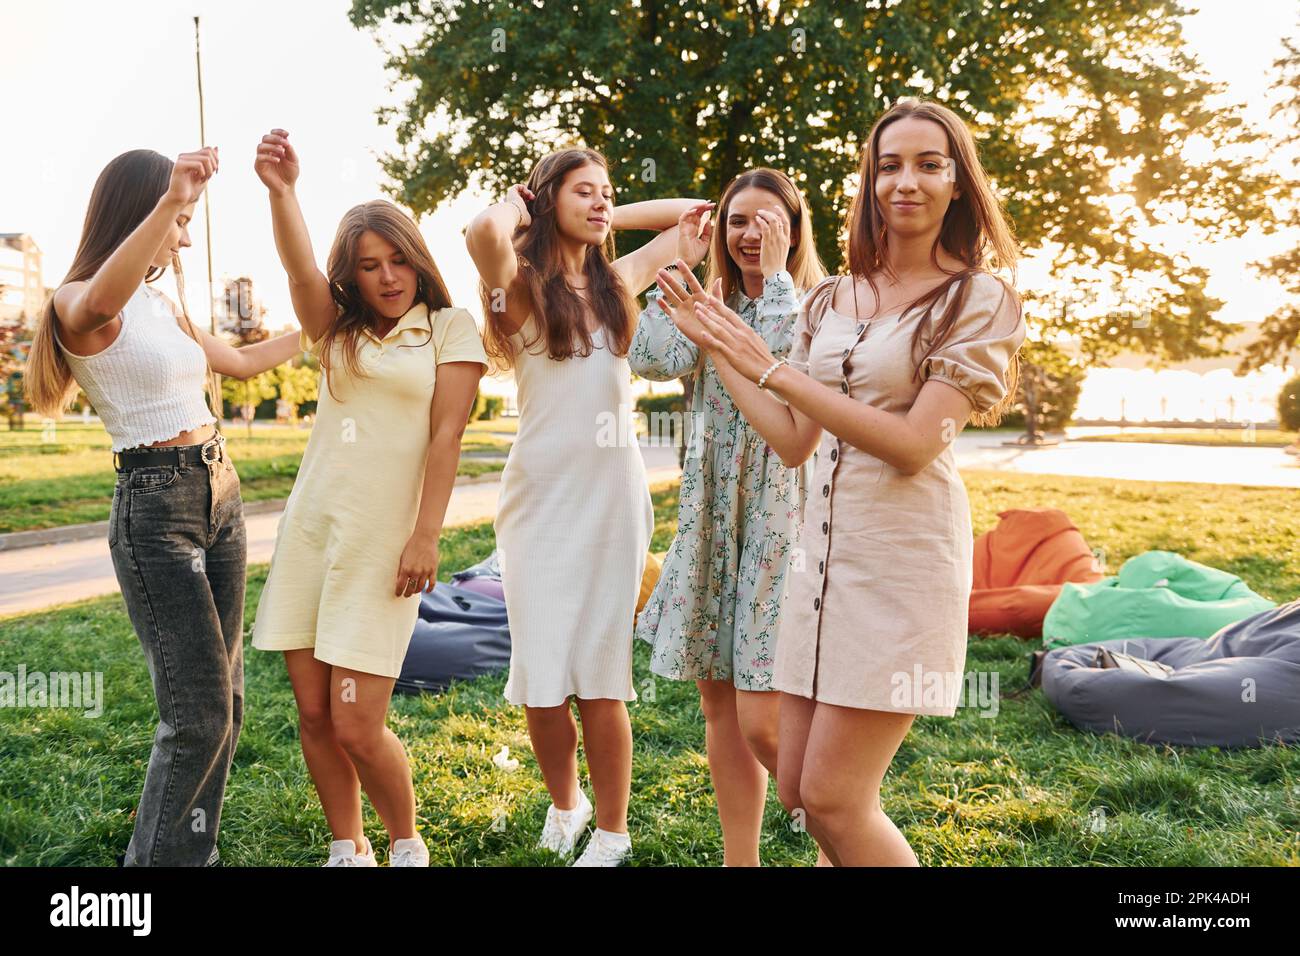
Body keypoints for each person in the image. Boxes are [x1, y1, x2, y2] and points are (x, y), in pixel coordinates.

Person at [671, 98, 1027, 865]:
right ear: (867, 181)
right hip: (817, 571)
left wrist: (771, 368)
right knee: (801, 793)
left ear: (958, 183)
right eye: (888, 165)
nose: (907, 181)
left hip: (901, 565)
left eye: (929, 164)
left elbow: (909, 446)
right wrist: (723, 350)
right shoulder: (833, 298)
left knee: (835, 799)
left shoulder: (979, 299)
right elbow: (795, 441)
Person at [25, 146, 302, 866]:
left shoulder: (163, 303)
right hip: (157, 509)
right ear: (143, 210)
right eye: (179, 219)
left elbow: (237, 363)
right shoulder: (78, 300)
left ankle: (192, 851)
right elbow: (99, 303)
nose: (183, 235)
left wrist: (334, 324)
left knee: (228, 702)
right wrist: (169, 199)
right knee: (196, 713)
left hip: (221, 492)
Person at [465, 146, 712, 866]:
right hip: (538, 500)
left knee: (601, 678)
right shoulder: (516, 286)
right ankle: (566, 807)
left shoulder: (618, 282)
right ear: (546, 200)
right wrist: (527, 208)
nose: (603, 202)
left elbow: (701, 215)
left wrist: (605, 217)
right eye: (586, 192)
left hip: (611, 500)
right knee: (543, 681)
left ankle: (612, 829)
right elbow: (482, 231)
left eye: (608, 191)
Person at [249, 129, 487, 867]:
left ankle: (406, 843)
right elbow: (296, 276)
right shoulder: (338, 331)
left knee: (358, 724)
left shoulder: (449, 327)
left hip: (386, 546)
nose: (388, 278)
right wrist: (283, 193)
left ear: (418, 261)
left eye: (398, 261)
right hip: (313, 533)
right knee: (315, 716)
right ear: (350, 277)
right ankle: (346, 846)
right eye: (369, 266)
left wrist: (426, 535)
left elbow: (446, 437)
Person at [629, 167, 827, 866]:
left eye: (769, 221)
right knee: (720, 712)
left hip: (779, 527)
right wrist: (677, 270)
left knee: (764, 721)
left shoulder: (811, 304)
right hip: (711, 521)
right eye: (739, 220)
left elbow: (780, 357)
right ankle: (738, 860)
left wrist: (775, 277)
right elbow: (650, 358)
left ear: (795, 231)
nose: (751, 234)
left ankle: (843, 841)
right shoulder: (710, 297)